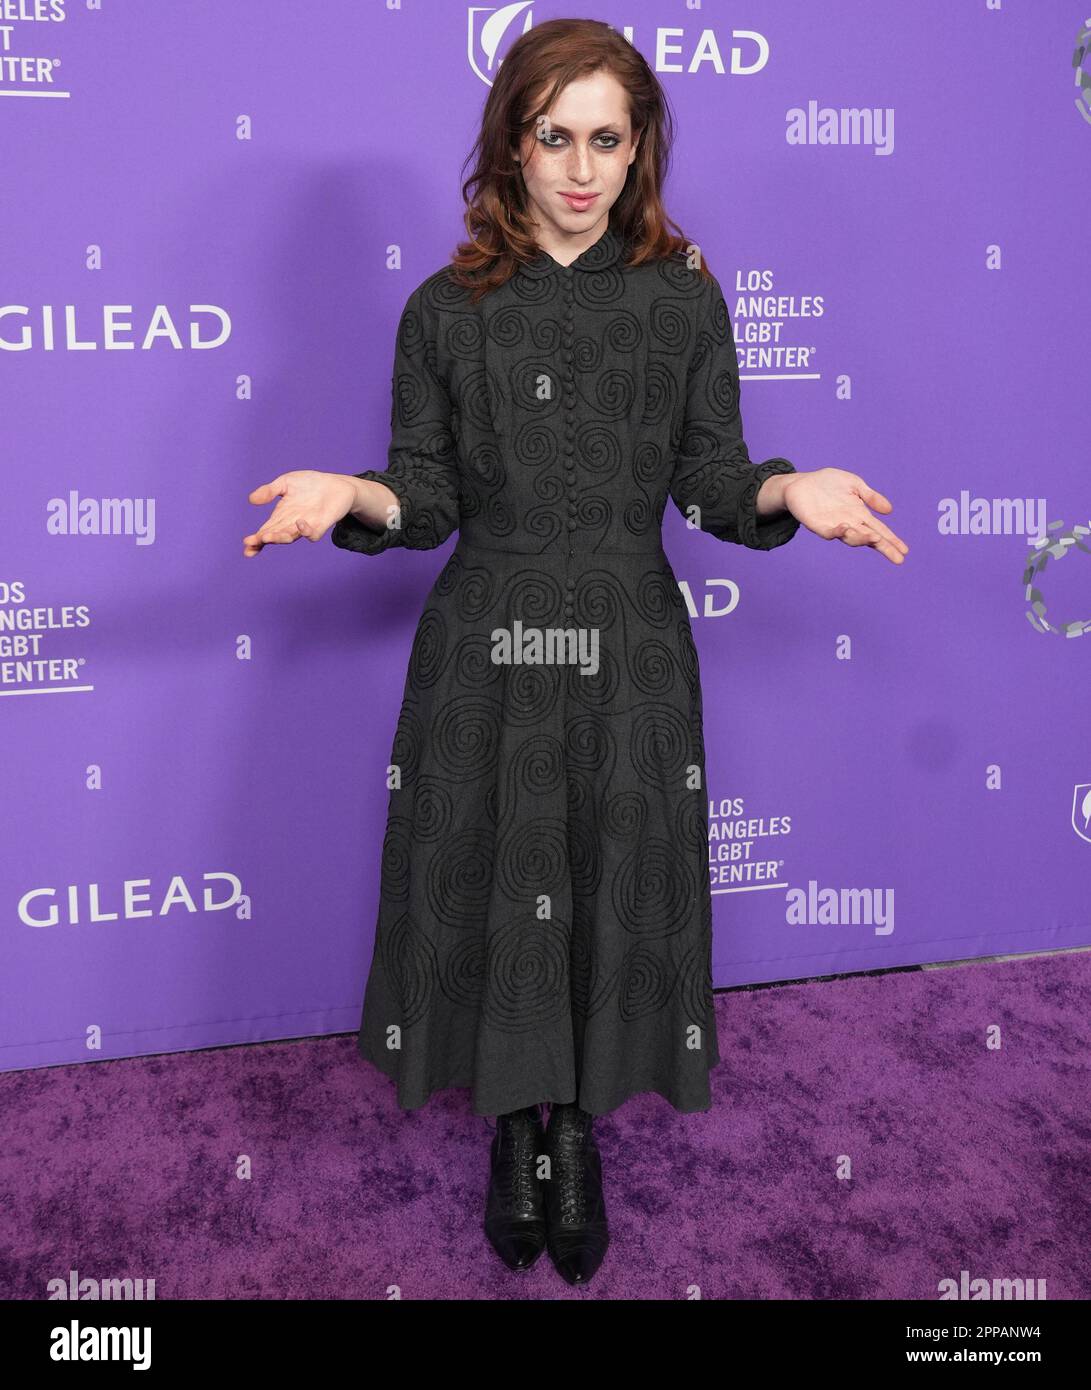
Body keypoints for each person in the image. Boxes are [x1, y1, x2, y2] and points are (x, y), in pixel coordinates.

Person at [242, 18, 907, 1287]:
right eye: (554, 137)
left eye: (608, 138)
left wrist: (782, 490)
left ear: (640, 146)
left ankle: (577, 1138)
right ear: (510, 142)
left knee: (603, 883)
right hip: (484, 647)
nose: (580, 169)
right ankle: (514, 1137)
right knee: (501, 885)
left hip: (630, 651)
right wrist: (359, 495)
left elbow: (712, 481)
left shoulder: (682, 297)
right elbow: (426, 497)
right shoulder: (444, 311)